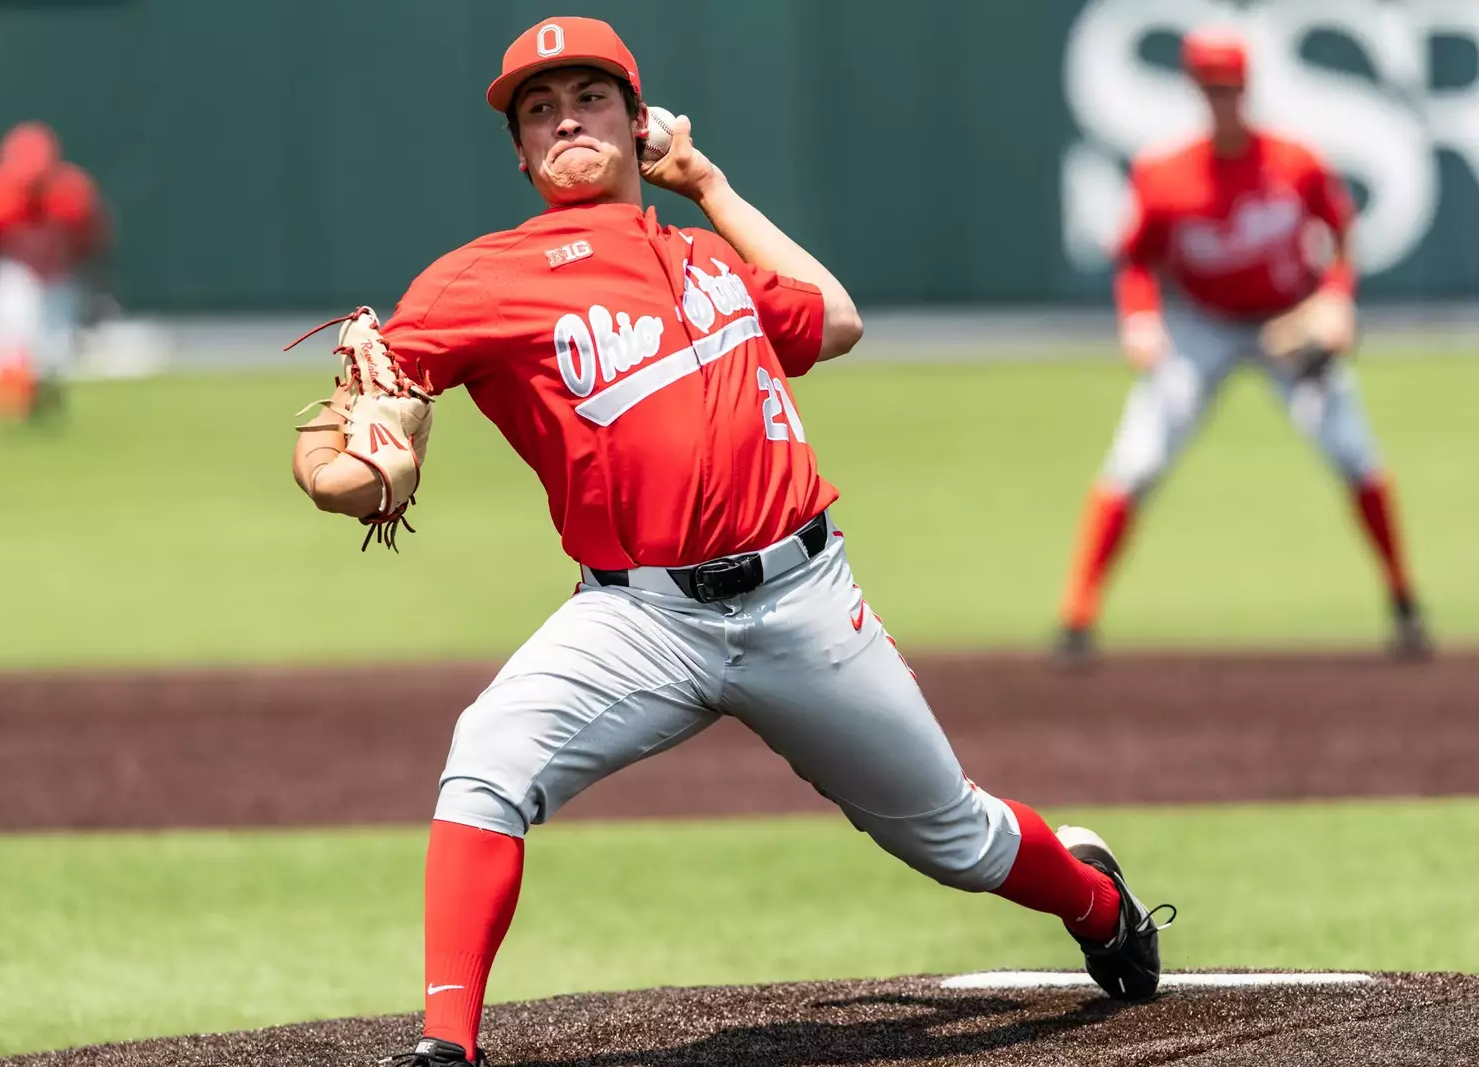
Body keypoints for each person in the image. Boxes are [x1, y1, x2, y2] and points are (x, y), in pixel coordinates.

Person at [291, 18, 1172, 1067]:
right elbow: (342, 431)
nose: (564, 115)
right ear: (521, 156)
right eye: (538, 108)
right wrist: (345, 477)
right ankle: (446, 1044)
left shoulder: (707, 255)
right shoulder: (478, 280)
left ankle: (1095, 902)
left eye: (589, 95)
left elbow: (835, 320)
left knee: (955, 835)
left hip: (802, 599)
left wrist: (705, 183)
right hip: (635, 616)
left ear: (636, 118)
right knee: (485, 760)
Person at [1054, 28, 1430, 666]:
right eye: (1210, 87)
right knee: (1138, 459)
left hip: (1291, 321)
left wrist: (1337, 299)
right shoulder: (1163, 173)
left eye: (1230, 87)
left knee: (1354, 454)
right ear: (1195, 91)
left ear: (1246, 89)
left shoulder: (1295, 162)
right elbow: (1136, 260)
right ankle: (1076, 618)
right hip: (1202, 325)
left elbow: (1340, 232)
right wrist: (1141, 318)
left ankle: (1403, 603)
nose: (1221, 98)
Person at [0, 121, 107, 421]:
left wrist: (96, 286)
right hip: (14, 272)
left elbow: (92, 242)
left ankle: (42, 398)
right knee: (13, 336)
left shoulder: (72, 193)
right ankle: (15, 406)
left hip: (58, 275)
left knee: (56, 353)